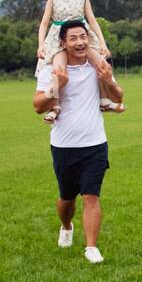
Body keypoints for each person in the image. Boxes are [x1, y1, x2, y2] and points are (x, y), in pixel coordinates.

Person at [33, 18, 125, 264]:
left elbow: (119, 95)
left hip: (95, 143)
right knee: (67, 198)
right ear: (63, 43)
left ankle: (91, 247)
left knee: (91, 195)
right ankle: (66, 226)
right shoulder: (51, 69)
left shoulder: (98, 66)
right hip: (63, 146)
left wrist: (107, 80)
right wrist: (57, 85)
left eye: (83, 37)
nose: (80, 42)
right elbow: (37, 107)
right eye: (73, 38)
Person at [36, 0, 123, 124]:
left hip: (81, 36)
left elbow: (93, 21)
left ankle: (105, 100)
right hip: (59, 39)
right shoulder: (52, 0)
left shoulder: (83, 0)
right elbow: (43, 24)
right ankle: (54, 107)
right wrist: (41, 45)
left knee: (101, 63)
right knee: (58, 71)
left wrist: (103, 44)